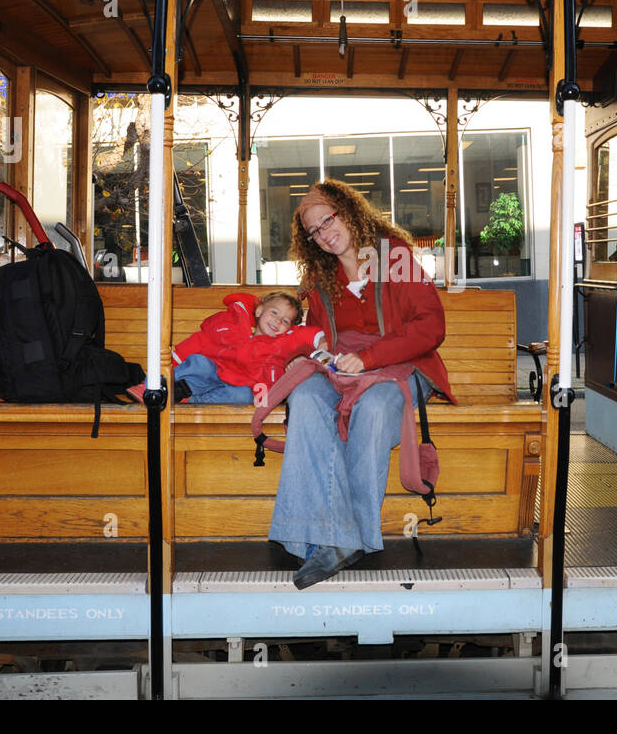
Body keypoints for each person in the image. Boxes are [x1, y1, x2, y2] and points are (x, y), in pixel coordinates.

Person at [271, 180, 454, 589]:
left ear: (349, 212)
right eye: (314, 231)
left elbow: (431, 326)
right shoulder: (321, 275)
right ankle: (314, 534)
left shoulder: (395, 256)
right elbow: (317, 331)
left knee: (373, 408)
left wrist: (369, 358)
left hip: (403, 367)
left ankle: (341, 540)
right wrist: (317, 351)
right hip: (345, 372)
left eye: (328, 221)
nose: (324, 234)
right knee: (304, 397)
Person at [154, 291, 324, 404]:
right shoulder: (232, 328)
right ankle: (156, 387)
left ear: (290, 328)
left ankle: (187, 400)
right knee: (201, 363)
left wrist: (322, 341)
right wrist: (166, 368)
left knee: (242, 395)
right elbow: (200, 341)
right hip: (216, 373)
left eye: (286, 321)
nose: (278, 321)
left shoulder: (282, 343)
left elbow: (309, 335)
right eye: (274, 313)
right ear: (259, 311)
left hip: (241, 387)